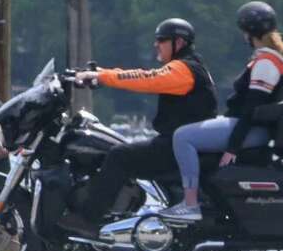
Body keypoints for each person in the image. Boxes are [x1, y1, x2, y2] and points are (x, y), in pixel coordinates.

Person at [71, 19, 217, 233]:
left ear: (179, 42)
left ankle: (88, 220)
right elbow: (145, 75)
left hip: (177, 145)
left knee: (119, 156)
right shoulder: (188, 65)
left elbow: (146, 78)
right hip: (181, 143)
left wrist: (102, 76)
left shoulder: (184, 69)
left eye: (161, 40)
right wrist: (101, 73)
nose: (156, 44)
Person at [160, 2, 283, 224]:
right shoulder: (279, 54)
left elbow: (251, 110)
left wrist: (232, 148)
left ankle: (190, 204)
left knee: (182, 137)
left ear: (248, 32)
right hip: (250, 126)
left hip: (250, 129)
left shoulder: (266, 64)